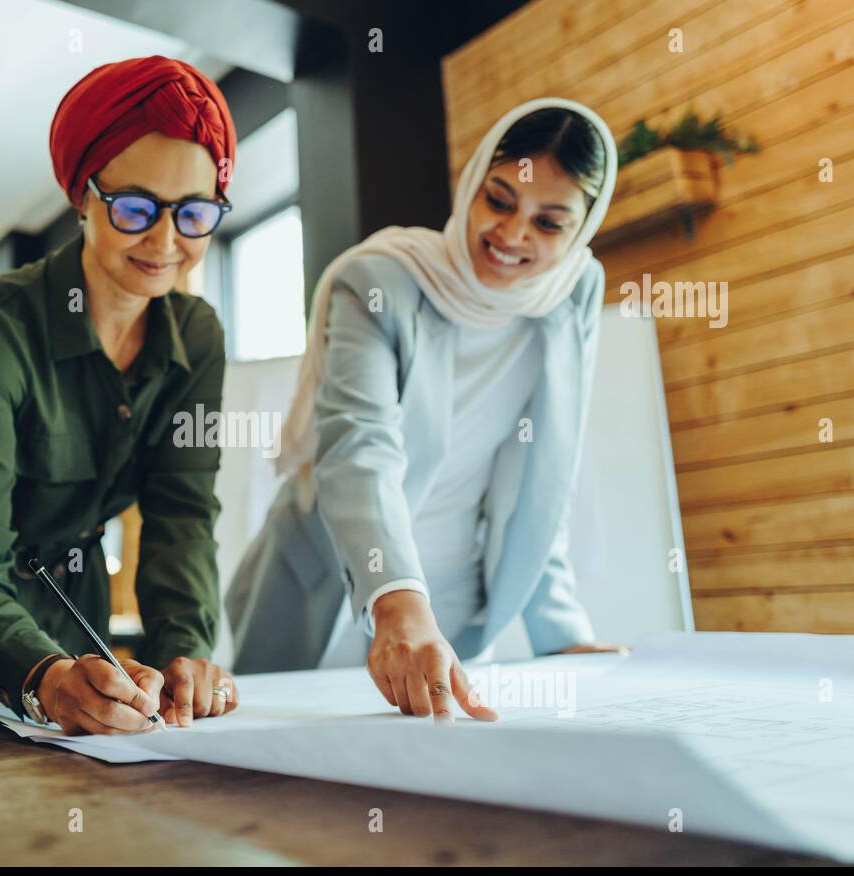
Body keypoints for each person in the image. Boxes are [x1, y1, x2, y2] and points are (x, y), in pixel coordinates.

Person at [0, 55, 240, 733]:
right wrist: (43, 676)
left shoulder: (197, 337)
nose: (166, 240)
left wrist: (185, 651)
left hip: (68, 588)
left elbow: (182, 516)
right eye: (136, 207)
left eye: (195, 212)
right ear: (83, 197)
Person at [226, 97, 626, 721]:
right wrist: (396, 600)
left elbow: (549, 468)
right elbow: (359, 445)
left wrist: (560, 629)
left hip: (450, 609)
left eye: (549, 223)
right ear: (471, 184)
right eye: (499, 199)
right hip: (331, 585)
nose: (512, 235)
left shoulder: (571, 296)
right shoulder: (381, 280)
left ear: (581, 232)